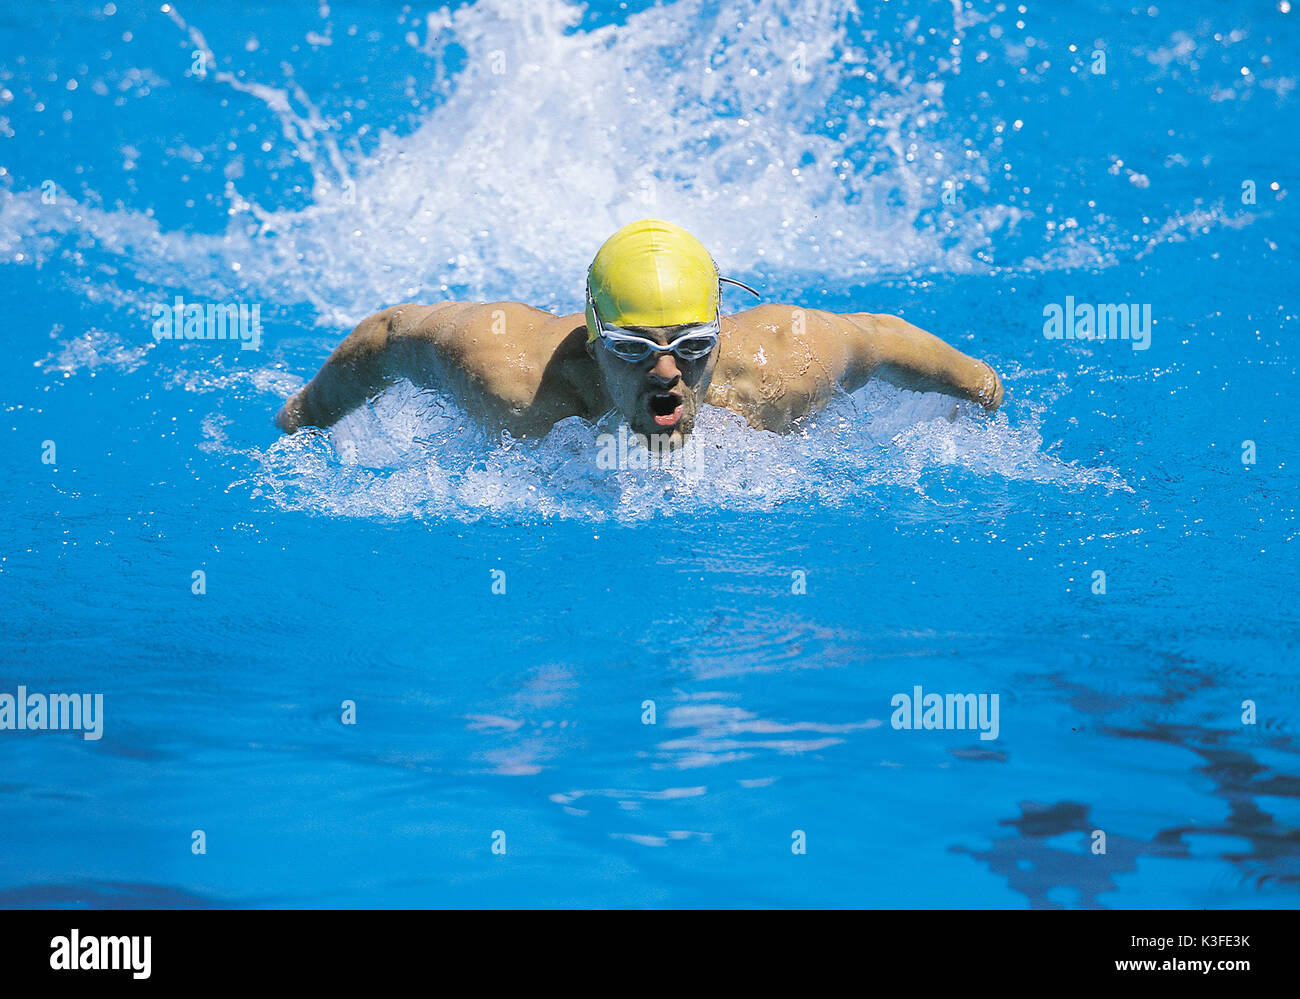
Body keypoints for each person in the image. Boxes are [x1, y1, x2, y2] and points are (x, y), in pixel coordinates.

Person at [275, 219, 1003, 447]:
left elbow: (881, 338)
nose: (667, 374)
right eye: (632, 350)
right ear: (592, 340)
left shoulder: (783, 367)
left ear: (721, 334)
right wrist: (306, 415)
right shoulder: (512, 379)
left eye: (692, 348)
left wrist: (982, 387)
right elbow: (391, 332)